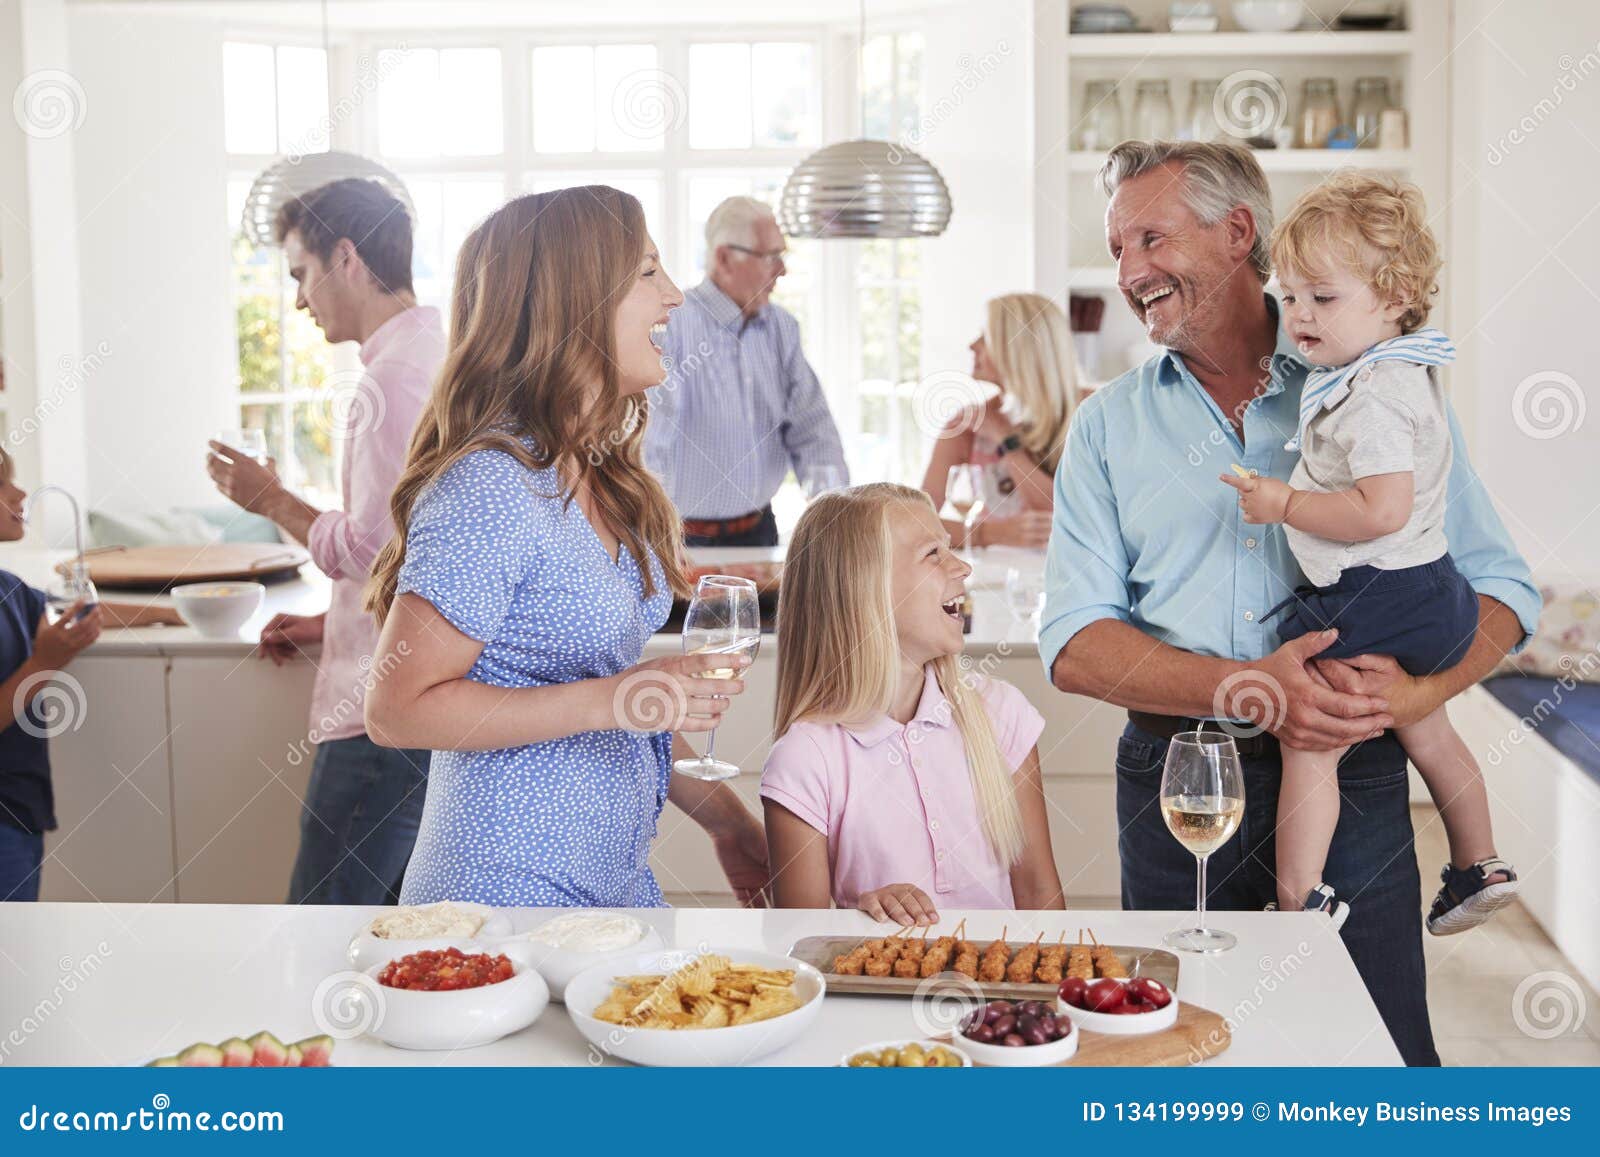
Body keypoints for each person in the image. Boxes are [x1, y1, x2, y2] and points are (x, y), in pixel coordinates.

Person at [1041, 141, 1538, 1067]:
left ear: (1238, 234)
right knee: (1175, 1066)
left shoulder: (1377, 384)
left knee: (1374, 1061)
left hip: (1353, 774)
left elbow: (1503, 592)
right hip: (1175, 775)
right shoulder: (1107, 424)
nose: (1128, 272)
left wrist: (1417, 701)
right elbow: (1073, 643)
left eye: (1150, 238)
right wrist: (1244, 685)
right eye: (1116, 248)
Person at [363, 186, 770, 907]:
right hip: (502, 901)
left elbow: (614, 696)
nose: (674, 295)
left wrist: (730, 825)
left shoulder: (596, 472)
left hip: (608, 891)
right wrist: (615, 697)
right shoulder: (492, 486)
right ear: (575, 299)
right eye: (648, 272)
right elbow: (398, 709)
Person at [1220, 172, 1520, 933]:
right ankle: (1478, 863)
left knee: (1312, 735)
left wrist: (1283, 502)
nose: (1299, 316)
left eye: (1323, 297)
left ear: (1394, 298)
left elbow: (1379, 509)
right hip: (1429, 595)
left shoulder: (1377, 390)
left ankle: (1300, 896)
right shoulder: (1390, 373)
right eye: (1289, 297)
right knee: (1430, 729)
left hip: (1376, 591)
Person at [206, 177, 442, 905]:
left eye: (301, 274)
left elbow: (377, 550)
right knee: (397, 935)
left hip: (377, 710)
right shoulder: (435, 352)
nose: (299, 300)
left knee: (323, 921)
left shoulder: (391, 380)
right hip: (418, 684)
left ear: (346, 257)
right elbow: (422, 549)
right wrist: (329, 623)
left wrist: (269, 499)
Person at [762, 483, 1064, 924]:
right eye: (933, 553)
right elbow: (802, 945)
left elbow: (1039, 894)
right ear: (864, 588)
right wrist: (858, 913)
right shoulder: (806, 757)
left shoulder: (1000, 713)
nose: (961, 566)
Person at [0, 446, 185, 901]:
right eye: (3, 483)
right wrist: (42, 665)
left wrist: (180, 612)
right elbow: (48, 647)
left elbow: (76, 614)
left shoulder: (8, 588)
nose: (20, 492)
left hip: (22, 812)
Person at [644, 196, 848, 547]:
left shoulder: (782, 327)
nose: (782, 269)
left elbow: (812, 430)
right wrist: (646, 527)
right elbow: (652, 439)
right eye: (770, 256)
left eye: (782, 256)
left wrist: (836, 519)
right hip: (680, 537)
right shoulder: (672, 323)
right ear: (724, 258)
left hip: (760, 531)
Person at [920, 293, 1078, 550]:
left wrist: (1007, 442)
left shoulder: (1091, 412)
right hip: (993, 579)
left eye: (986, 337)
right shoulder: (968, 425)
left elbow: (1071, 516)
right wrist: (993, 533)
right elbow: (916, 523)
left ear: (1020, 350)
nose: (973, 346)